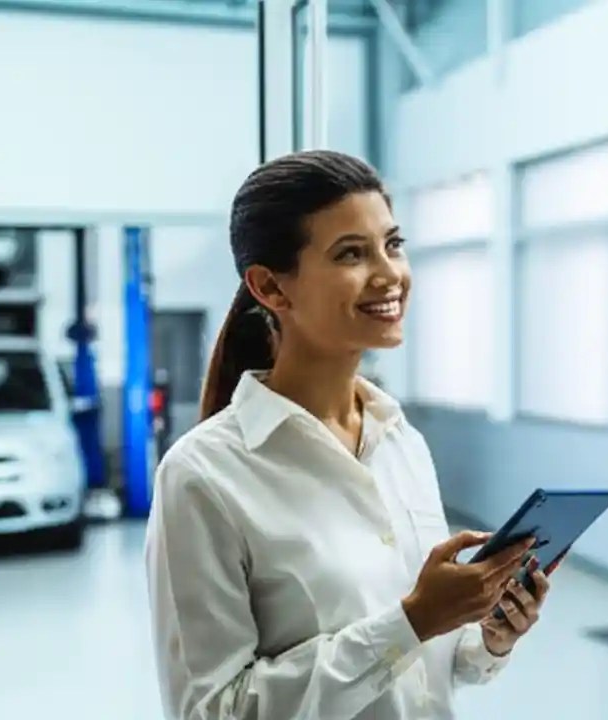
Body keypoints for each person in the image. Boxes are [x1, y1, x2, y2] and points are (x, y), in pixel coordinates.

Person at [145, 150, 553, 720]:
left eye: (393, 244)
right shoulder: (202, 476)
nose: (389, 275)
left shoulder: (400, 440)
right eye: (351, 254)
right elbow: (213, 710)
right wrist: (413, 620)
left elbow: (426, 664)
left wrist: (488, 631)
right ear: (270, 287)